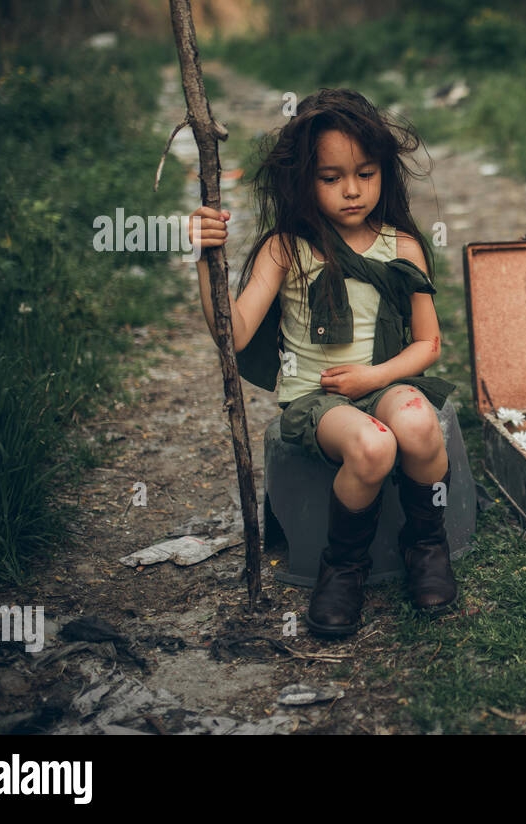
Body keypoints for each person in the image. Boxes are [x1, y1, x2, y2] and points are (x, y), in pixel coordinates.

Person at [190, 88, 458, 638]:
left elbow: (429, 346)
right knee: (373, 444)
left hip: (384, 381)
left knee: (417, 423)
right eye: (331, 177)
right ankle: (343, 568)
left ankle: (426, 546)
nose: (352, 190)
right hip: (317, 400)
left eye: (365, 172)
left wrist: (375, 377)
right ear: (302, 181)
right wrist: (205, 259)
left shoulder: (402, 247)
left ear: (383, 171)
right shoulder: (286, 249)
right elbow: (232, 334)